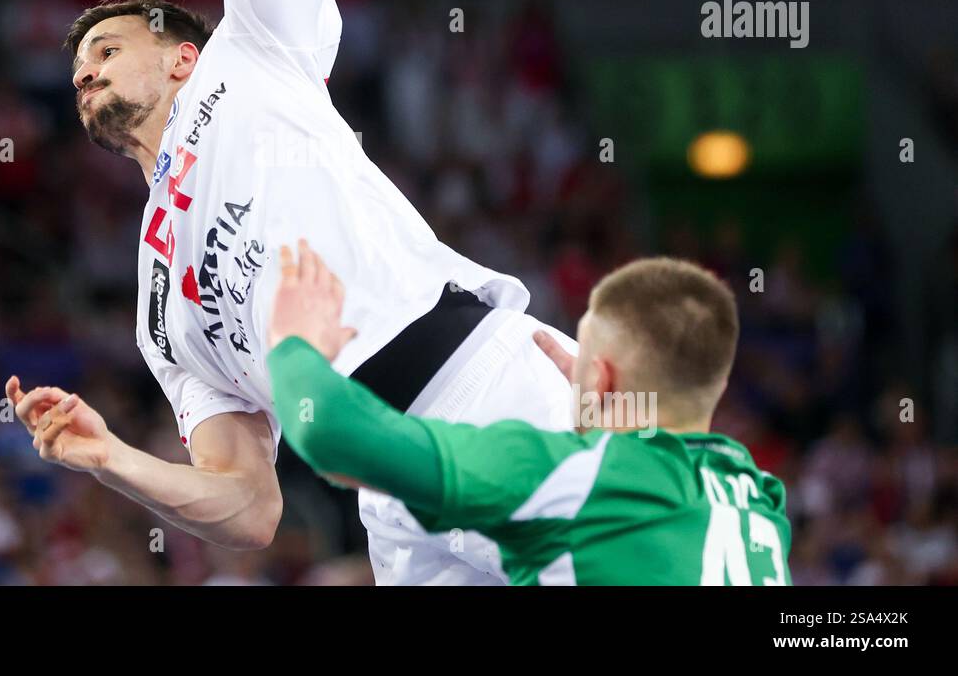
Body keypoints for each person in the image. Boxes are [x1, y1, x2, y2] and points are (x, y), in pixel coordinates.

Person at [8, 0, 583, 584]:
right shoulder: (159, 308)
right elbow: (249, 507)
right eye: (75, 69)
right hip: (389, 499)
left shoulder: (251, 50)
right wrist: (113, 460)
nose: (83, 72)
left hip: (484, 392)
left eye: (108, 47)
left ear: (180, 57)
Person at [253, 240, 792, 585]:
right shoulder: (757, 497)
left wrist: (290, 342)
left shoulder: (568, 477)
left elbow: (330, 434)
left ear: (599, 379)